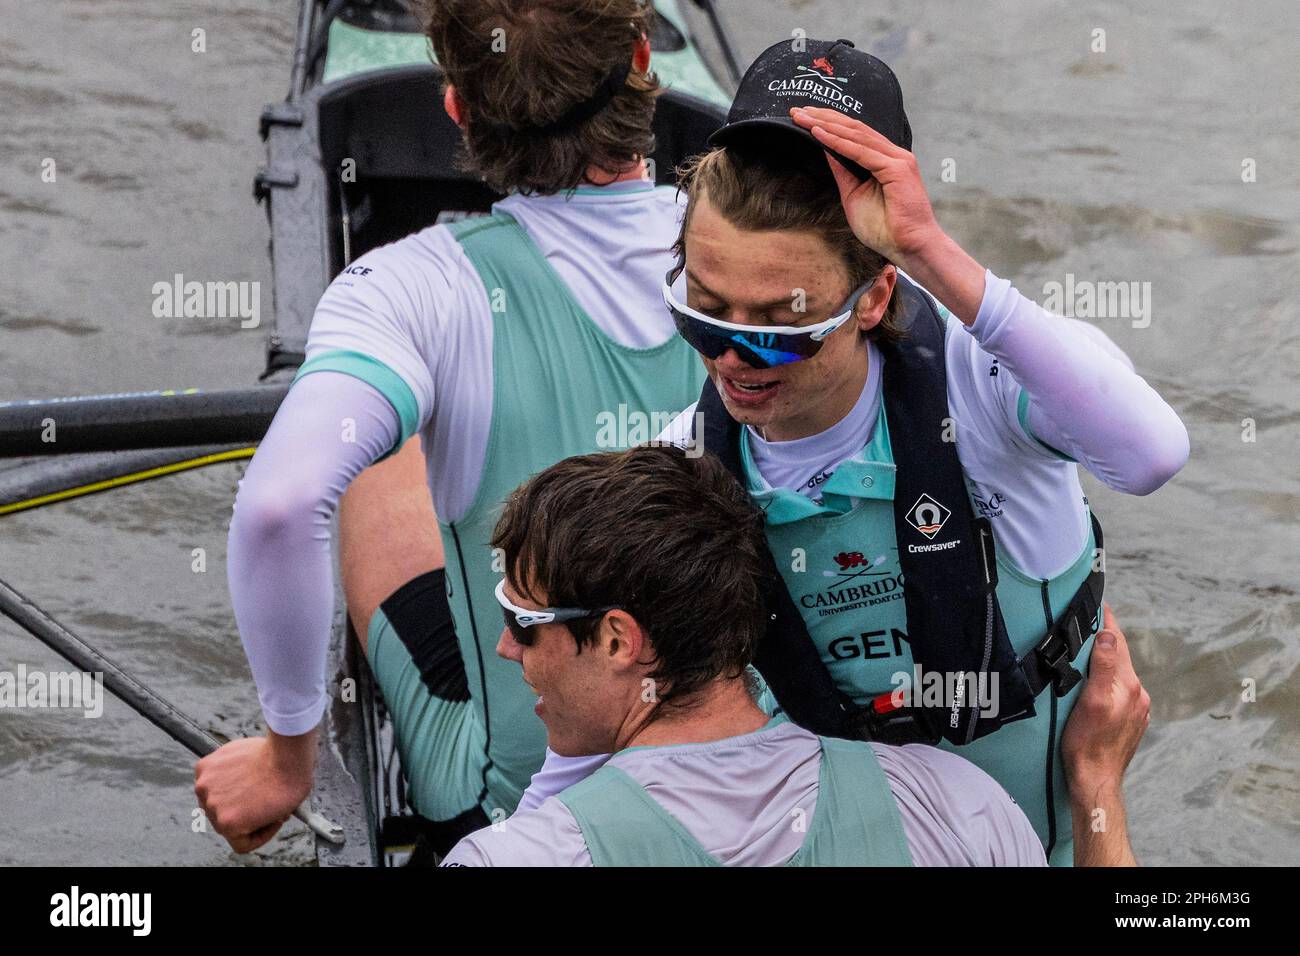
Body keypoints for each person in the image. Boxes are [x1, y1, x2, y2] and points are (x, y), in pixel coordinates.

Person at [521, 37, 1187, 865]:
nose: (731, 360)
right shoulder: (687, 468)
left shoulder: (982, 395)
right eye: (705, 314)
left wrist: (930, 255)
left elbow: (1153, 454)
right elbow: (580, 744)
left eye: (778, 329)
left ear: (875, 296)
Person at [195, 0, 706, 855]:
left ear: (458, 109)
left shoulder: (410, 285)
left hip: (514, 806)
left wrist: (289, 759)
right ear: (646, 60)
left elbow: (280, 509)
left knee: (385, 437)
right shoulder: (761, 253)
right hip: (754, 766)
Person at [441, 446, 1148, 866]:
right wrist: (1096, 789)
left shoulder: (519, 855)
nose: (507, 647)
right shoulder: (955, 804)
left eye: (523, 621)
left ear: (622, 641)